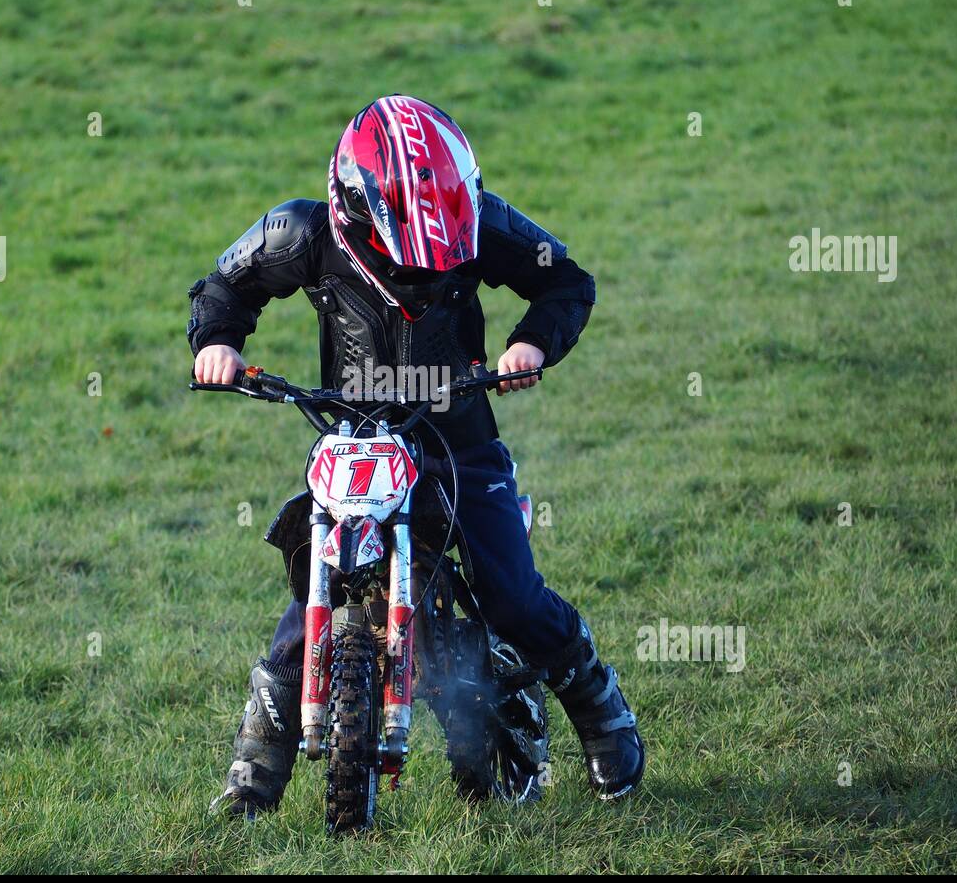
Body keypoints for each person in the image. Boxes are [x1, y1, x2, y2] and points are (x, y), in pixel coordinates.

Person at [189, 95, 643, 817]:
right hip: (355, 441)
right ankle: (253, 778)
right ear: (356, 211)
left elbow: (566, 280)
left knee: (513, 596)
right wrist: (216, 341)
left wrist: (532, 342)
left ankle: (601, 708)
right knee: (309, 602)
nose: (429, 273)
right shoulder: (301, 232)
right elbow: (222, 285)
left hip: (461, 441)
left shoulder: (480, 219)